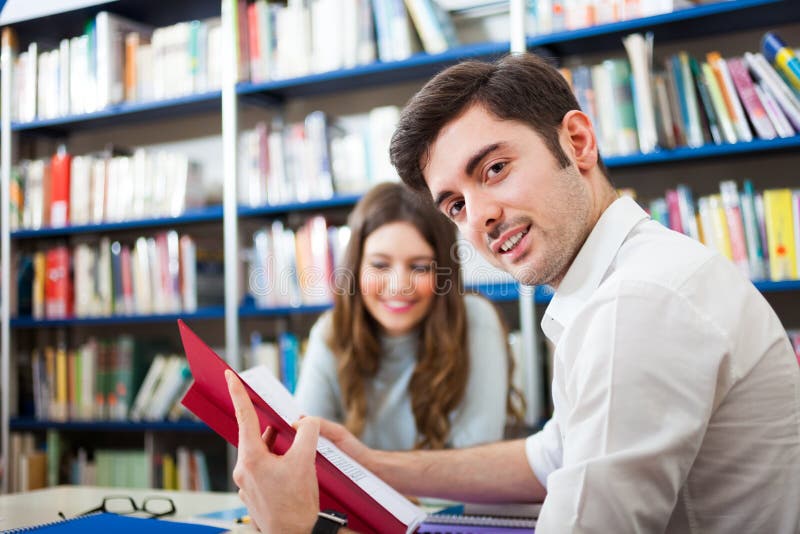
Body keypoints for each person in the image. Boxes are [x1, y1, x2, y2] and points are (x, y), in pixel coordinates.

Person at [227, 53, 800, 533]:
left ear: (576, 142)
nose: (480, 217)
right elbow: (551, 457)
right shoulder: (618, 284)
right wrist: (370, 463)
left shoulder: (638, 302)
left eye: (495, 168)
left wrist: (291, 529)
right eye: (455, 204)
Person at [294, 181, 520, 451]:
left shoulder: (475, 321)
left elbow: (476, 470)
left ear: (443, 274)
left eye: (420, 267)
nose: (399, 285)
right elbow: (307, 450)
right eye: (380, 265)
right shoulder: (331, 330)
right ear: (356, 268)